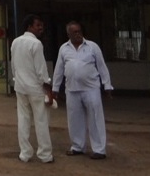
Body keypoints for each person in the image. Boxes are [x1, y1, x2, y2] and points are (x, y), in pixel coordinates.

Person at [52, 20, 114, 160]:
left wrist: (107, 85)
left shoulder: (92, 47)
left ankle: (99, 149)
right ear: (68, 34)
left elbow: (102, 67)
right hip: (72, 90)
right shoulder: (64, 48)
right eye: (75, 32)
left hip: (91, 89)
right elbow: (59, 70)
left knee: (95, 119)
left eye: (79, 31)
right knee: (74, 119)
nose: (78, 34)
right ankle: (77, 146)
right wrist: (55, 88)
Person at [10, 13, 54, 164]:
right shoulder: (36, 44)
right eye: (38, 25)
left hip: (20, 87)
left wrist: (16, 80)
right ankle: (45, 155)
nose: (41, 28)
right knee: (41, 121)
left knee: (23, 120)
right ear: (30, 26)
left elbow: (13, 66)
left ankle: (25, 154)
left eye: (41, 25)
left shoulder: (15, 42)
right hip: (35, 89)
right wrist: (48, 88)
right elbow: (41, 70)